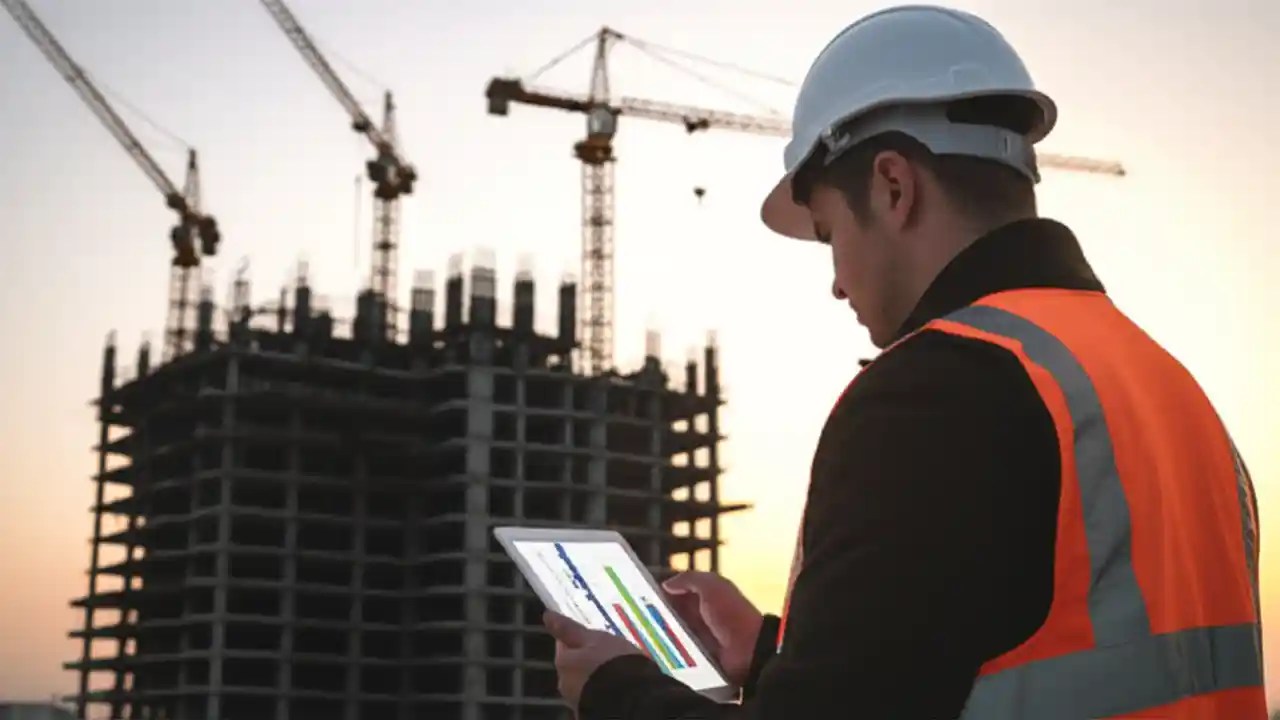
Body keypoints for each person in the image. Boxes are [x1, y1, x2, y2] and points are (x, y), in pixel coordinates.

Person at [542, 5, 1266, 719]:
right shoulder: (1165, 386)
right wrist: (771, 652)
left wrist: (617, 690)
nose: (835, 281)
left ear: (894, 186)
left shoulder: (937, 394)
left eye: (829, 236)